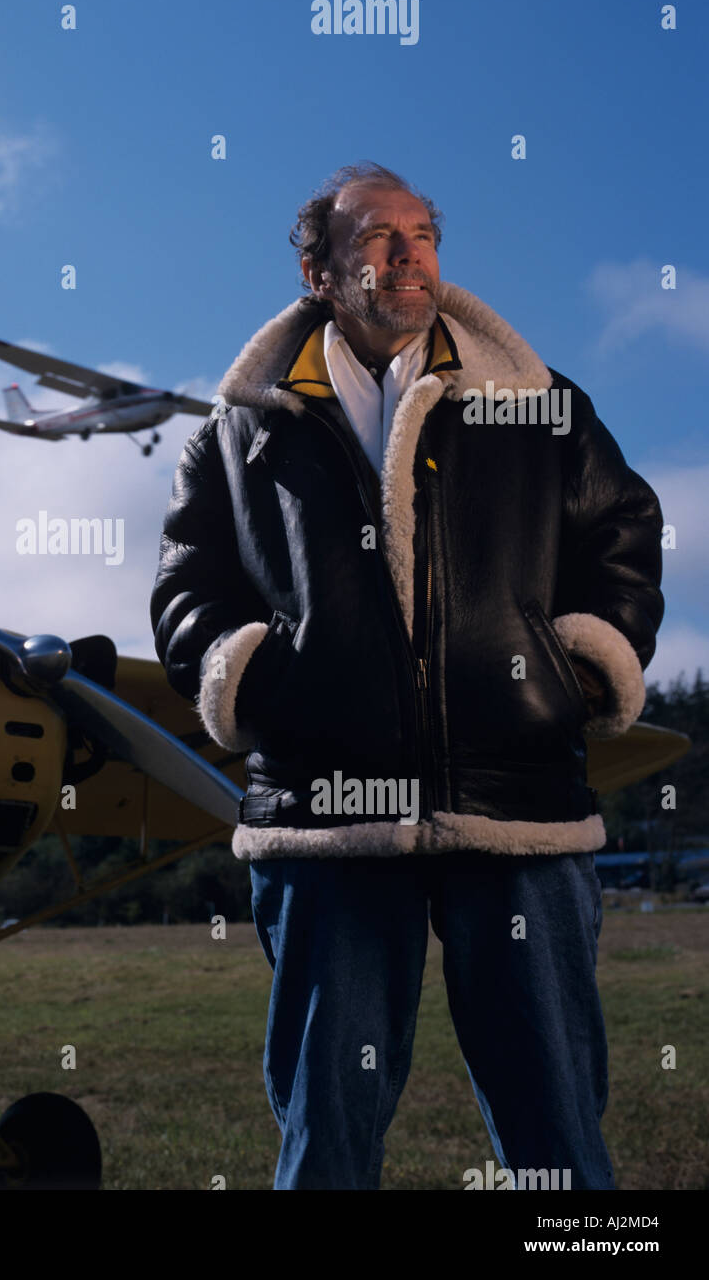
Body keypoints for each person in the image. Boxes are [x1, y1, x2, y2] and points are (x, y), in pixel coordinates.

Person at [149, 162, 664, 1190]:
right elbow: (184, 592)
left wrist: (582, 658)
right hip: (326, 813)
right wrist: (255, 676)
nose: (408, 251)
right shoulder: (238, 432)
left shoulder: (541, 402)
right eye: (377, 235)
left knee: (559, 1130)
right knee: (326, 1134)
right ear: (319, 270)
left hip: (516, 803)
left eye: (423, 231)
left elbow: (624, 529)